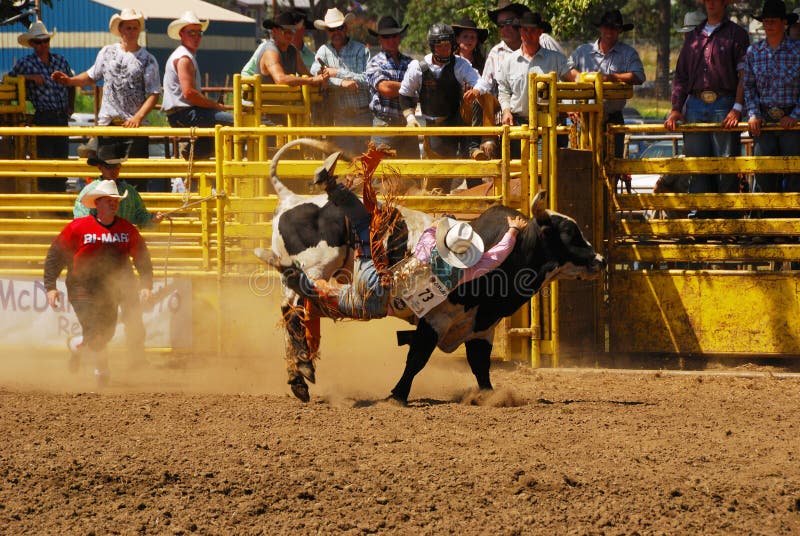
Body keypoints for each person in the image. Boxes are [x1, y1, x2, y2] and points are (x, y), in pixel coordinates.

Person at [258, 150, 528, 320]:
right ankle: (296, 278)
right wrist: (513, 232)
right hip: (380, 299)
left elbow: (427, 237)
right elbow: (494, 257)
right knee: (331, 297)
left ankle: (333, 187)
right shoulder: (467, 271)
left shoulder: (429, 246)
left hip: (377, 276)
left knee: (364, 223)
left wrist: (440, 225)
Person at [44, 179, 154, 387]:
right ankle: (102, 371)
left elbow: (142, 258)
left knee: (107, 331)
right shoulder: (78, 227)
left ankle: (77, 345)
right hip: (81, 285)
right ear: (97, 203)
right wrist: (51, 286)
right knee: (94, 328)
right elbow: (56, 255)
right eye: (108, 200)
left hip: (112, 287)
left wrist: (146, 284)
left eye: (115, 200)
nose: (113, 203)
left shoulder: (126, 229)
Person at [70, 139, 162, 366]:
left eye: (117, 166)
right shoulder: (90, 194)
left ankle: (134, 357)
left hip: (120, 266)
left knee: (132, 312)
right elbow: (82, 228)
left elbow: (142, 219)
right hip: (96, 269)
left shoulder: (127, 192)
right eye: (111, 166)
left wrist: (153, 220)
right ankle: (95, 354)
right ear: (100, 168)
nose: (115, 170)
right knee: (100, 316)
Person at [51, 8, 162, 190]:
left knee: (135, 178)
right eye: (128, 27)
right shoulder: (107, 52)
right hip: (109, 124)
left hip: (133, 126)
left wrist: (138, 117)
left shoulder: (148, 60)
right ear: (120, 30)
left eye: (135, 27)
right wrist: (70, 81)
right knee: (107, 176)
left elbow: (154, 93)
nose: (132, 31)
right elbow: (91, 75)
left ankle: (131, 215)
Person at [664, 0, 749, 219]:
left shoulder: (736, 34)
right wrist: (676, 108)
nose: (711, 2)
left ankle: (727, 219)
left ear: (725, 3)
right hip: (695, 103)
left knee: (725, 165)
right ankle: (702, 218)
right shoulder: (694, 37)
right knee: (697, 165)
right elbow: (681, 76)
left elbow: (744, 75)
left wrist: (737, 107)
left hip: (724, 103)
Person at [399, 23, 493, 167]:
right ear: (432, 46)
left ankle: (472, 149)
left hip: (457, 121)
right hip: (435, 127)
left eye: (447, 46)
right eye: (439, 46)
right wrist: (411, 118)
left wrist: (476, 90)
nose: (444, 50)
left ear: (452, 45)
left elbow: (482, 82)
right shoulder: (417, 68)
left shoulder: (461, 64)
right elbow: (405, 94)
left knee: (465, 166)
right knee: (439, 174)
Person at [497, 12, 579, 158]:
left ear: (540, 32)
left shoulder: (556, 59)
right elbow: (504, 90)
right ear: (520, 31)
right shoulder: (509, 62)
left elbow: (575, 77)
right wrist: (506, 110)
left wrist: (571, 102)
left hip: (546, 125)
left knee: (541, 172)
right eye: (525, 30)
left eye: (533, 30)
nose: (528, 34)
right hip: (518, 124)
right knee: (518, 173)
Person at [8, 19, 74, 193]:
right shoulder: (25, 64)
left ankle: (57, 205)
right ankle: (48, 203)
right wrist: (29, 78)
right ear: (32, 44)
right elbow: (8, 81)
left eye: (45, 40)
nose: (43, 44)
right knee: (45, 162)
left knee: (61, 162)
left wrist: (70, 106)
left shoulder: (60, 60)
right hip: (43, 116)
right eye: (39, 41)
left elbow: (71, 83)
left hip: (60, 116)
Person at [743, 0, 800, 200]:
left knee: (794, 173)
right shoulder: (753, 52)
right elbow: (748, 86)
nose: (768, 25)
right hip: (764, 120)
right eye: (765, 21)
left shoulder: (798, 51)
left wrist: (795, 115)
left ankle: (793, 225)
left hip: (792, 121)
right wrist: (753, 114)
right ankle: (764, 224)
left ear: (784, 23)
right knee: (763, 172)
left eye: (773, 21)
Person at [570, 10, 645, 158]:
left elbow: (639, 76)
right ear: (600, 28)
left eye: (614, 28)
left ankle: (613, 181)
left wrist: (612, 77)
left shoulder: (628, 53)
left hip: (613, 117)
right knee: (583, 164)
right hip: (584, 118)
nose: (610, 31)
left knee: (613, 163)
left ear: (620, 31)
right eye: (607, 27)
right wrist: (571, 107)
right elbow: (565, 72)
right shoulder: (582, 52)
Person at [162, 11, 234, 160]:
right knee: (235, 123)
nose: (196, 36)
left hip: (182, 114)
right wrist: (215, 105)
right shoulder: (184, 58)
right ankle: (196, 153)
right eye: (191, 32)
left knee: (219, 127)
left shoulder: (183, 55)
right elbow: (189, 94)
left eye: (199, 33)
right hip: (186, 114)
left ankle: (195, 153)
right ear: (182, 34)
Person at [310, 8, 372, 156]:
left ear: (346, 28)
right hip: (340, 117)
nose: (336, 32)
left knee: (366, 164)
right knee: (346, 164)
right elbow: (315, 73)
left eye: (339, 28)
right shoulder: (323, 51)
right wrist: (340, 82)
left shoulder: (361, 50)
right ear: (327, 31)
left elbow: (368, 79)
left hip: (362, 115)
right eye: (332, 29)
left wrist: (337, 72)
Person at [365, 15, 418, 158]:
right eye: (386, 37)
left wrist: (403, 88)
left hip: (408, 124)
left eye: (394, 36)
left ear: (399, 37)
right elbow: (385, 89)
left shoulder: (410, 62)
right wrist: (409, 87)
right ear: (380, 39)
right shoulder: (374, 63)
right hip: (384, 125)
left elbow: (417, 88)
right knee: (379, 175)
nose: (391, 40)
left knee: (413, 174)